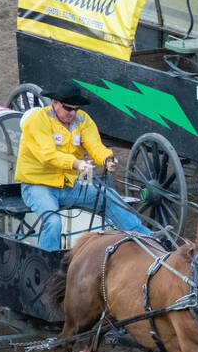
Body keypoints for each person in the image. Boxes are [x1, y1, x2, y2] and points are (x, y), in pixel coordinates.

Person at [15, 86, 153, 251]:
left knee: (110, 197)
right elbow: (47, 155)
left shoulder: (83, 120)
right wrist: (76, 163)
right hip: (38, 185)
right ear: (56, 103)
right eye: (68, 108)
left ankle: (145, 238)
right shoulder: (38, 119)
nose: (73, 113)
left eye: (76, 109)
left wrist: (107, 158)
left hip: (69, 185)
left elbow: (95, 146)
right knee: (52, 222)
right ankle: (48, 263)